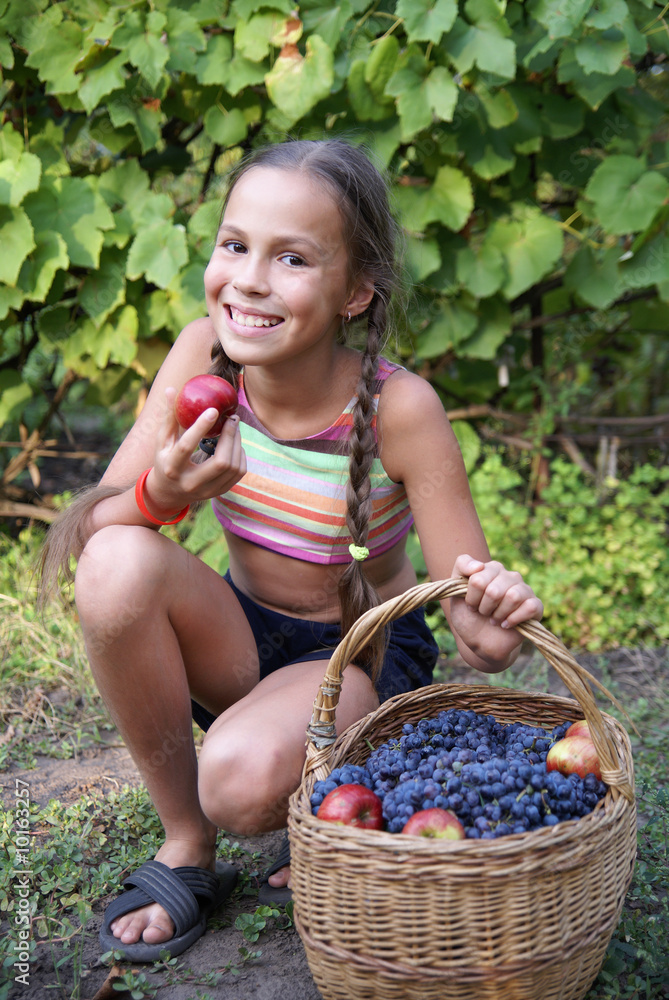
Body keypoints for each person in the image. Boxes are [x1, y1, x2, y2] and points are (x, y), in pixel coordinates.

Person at [39, 138, 543, 962]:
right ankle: (185, 846)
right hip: (239, 643)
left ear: (355, 292)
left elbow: (483, 643)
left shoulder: (399, 410)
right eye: (234, 245)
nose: (248, 279)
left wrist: (499, 613)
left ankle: (327, 792)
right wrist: (162, 498)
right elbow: (94, 529)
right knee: (116, 561)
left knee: (237, 781)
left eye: (292, 259)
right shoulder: (201, 353)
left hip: (359, 662)